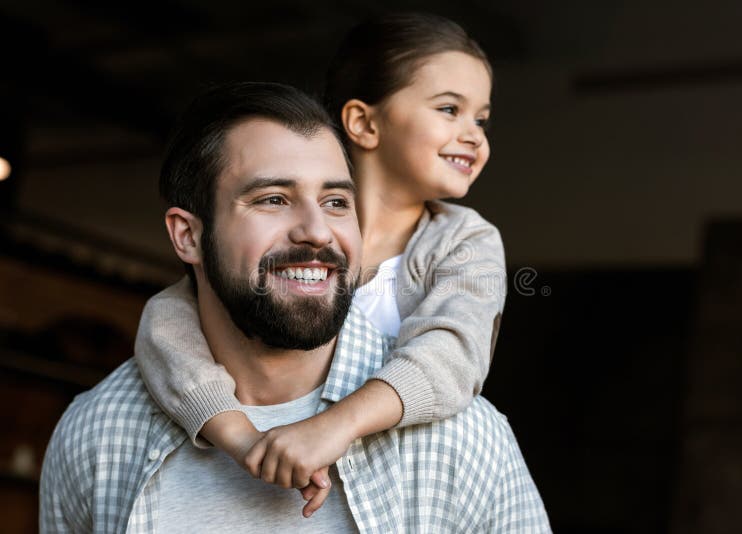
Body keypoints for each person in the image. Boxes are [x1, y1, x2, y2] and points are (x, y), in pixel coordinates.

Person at [39, 81, 551, 533]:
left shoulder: (464, 440)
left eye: (336, 202)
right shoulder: (97, 433)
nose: (317, 231)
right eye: (273, 199)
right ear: (188, 236)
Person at [133, 12, 510, 516]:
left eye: (481, 120)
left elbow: (454, 353)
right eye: (449, 109)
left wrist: (334, 426)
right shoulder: (299, 239)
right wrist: (240, 437)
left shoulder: (466, 242)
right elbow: (166, 323)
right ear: (364, 123)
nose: (474, 135)